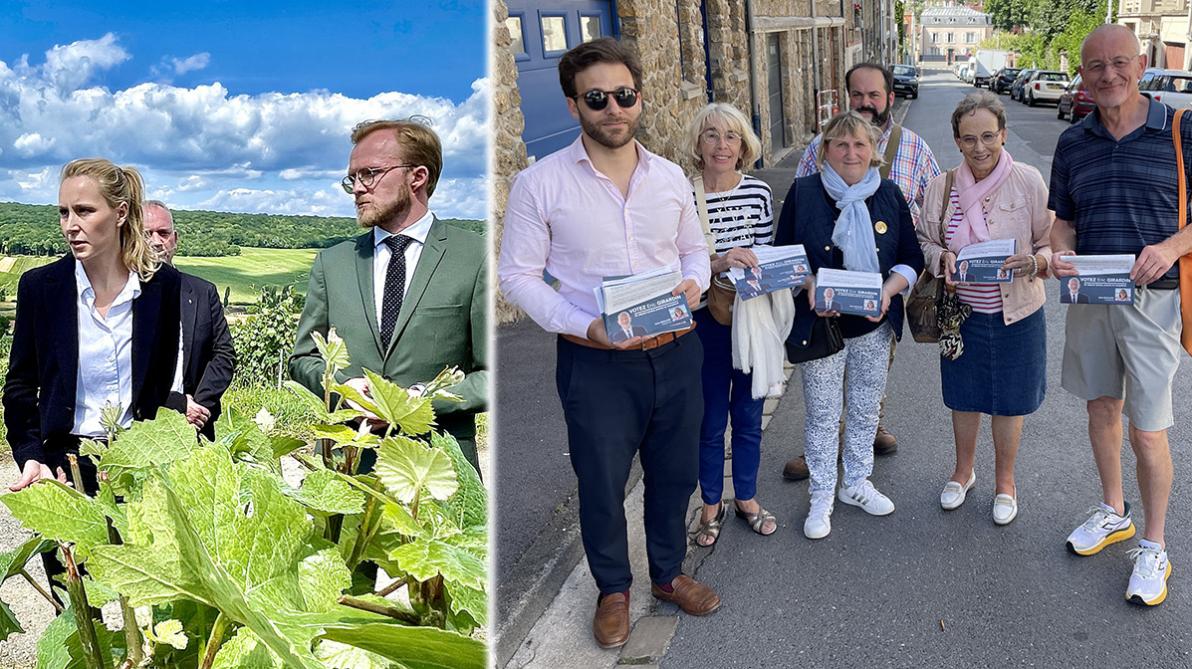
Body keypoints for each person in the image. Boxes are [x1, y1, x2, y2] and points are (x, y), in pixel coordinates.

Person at [498, 37, 717, 649]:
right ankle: (614, 589)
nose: (613, 108)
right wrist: (585, 324)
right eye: (597, 98)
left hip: (675, 350)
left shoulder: (671, 177)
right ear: (574, 106)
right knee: (600, 482)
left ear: (639, 99)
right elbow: (516, 275)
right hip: (595, 363)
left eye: (624, 95)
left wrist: (694, 283)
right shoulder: (539, 184)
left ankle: (669, 575)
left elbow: (693, 248)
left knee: (674, 476)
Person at [1049, 24, 1192, 606]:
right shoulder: (1073, 141)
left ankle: (1154, 544)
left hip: (1154, 300)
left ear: (1141, 65)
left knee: (1148, 428)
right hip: (1092, 296)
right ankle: (1115, 511)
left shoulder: (1182, 128)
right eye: (1095, 66)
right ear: (1082, 75)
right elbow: (1064, 219)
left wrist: (1173, 247)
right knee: (1102, 407)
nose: (1108, 75)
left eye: (1119, 63)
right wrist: (1058, 249)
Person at [3, 158, 183, 589]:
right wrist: (32, 455)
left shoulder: (163, 289)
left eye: (84, 211)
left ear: (120, 213)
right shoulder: (39, 289)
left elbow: (161, 389)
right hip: (64, 467)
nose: (70, 225)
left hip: (138, 465)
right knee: (78, 607)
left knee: (151, 603)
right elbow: (20, 387)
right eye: (64, 212)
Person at [290, 119, 487, 470]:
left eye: (370, 173)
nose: (357, 188)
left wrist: (419, 402)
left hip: (436, 473)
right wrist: (343, 387)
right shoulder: (332, 263)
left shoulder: (476, 257)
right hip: (347, 468)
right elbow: (302, 357)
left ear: (418, 177)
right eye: (352, 178)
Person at [785, 63, 941, 478]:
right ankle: (823, 445)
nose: (866, 102)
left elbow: (938, 207)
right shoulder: (821, 147)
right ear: (847, 97)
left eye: (874, 95)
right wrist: (809, 281)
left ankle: (864, 433)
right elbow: (801, 214)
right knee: (824, 379)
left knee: (870, 378)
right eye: (858, 95)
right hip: (825, 299)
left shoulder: (913, 148)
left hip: (880, 294)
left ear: (890, 97)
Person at [775, 111, 925, 539]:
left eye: (860, 144)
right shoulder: (804, 193)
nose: (851, 152)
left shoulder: (890, 195)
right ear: (825, 151)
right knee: (823, 415)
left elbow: (911, 257)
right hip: (821, 326)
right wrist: (809, 286)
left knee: (864, 407)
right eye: (841, 144)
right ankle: (821, 494)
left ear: (874, 152)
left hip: (873, 325)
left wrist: (889, 291)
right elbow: (785, 256)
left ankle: (855, 482)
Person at [916, 91, 1052, 526]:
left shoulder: (1028, 181)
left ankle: (1005, 481)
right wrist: (941, 259)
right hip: (963, 315)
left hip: (1019, 313)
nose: (980, 147)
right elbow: (925, 241)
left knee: (1010, 402)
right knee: (964, 397)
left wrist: (1037, 261)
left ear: (1004, 135)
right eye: (969, 138)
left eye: (989, 136)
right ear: (956, 140)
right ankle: (963, 471)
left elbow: (1053, 242)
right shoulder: (942, 187)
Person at [684, 102, 778, 549]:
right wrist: (720, 262)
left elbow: (768, 258)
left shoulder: (758, 194)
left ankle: (746, 496)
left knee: (747, 415)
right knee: (707, 419)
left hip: (749, 319)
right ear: (697, 144)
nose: (722, 145)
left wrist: (763, 272)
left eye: (731, 136)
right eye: (712, 135)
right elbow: (672, 262)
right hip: (701, 323)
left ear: (743, 146)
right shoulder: (681, 194)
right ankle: (709, 504)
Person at [142, 201, 236, 441]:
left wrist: (198, 408)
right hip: (140, 427)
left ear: (175, 239)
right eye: (146, 234)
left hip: (197, 427)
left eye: (163, 233)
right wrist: (178, 405)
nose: (156, 241)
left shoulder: (203, 292)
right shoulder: (117, 295)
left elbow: (224, 355)